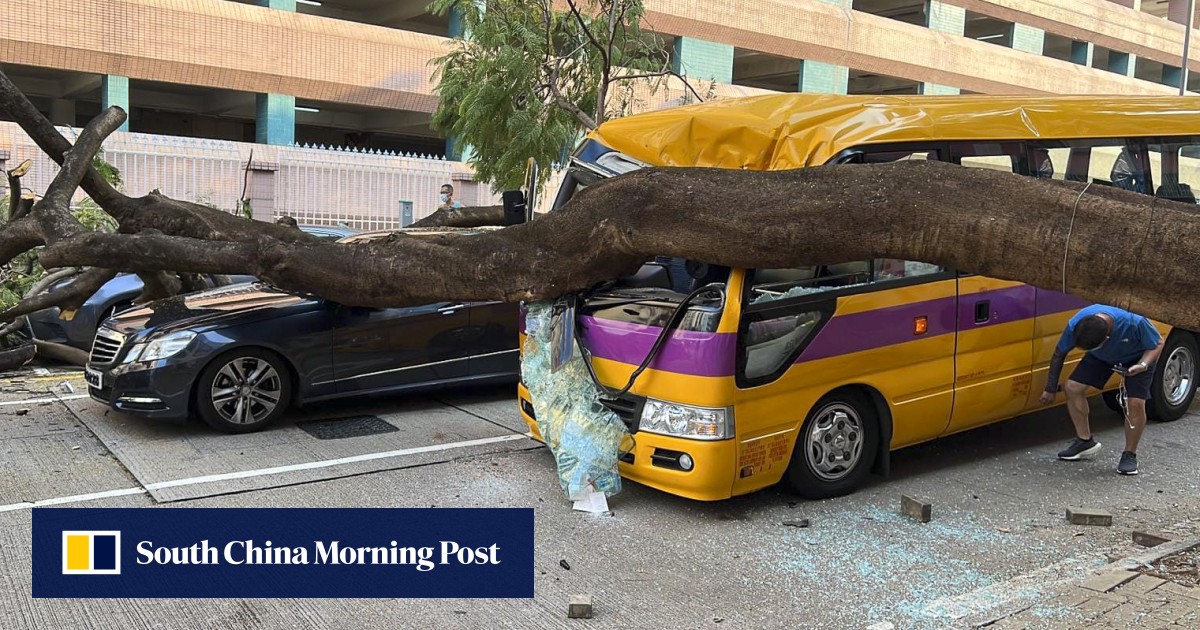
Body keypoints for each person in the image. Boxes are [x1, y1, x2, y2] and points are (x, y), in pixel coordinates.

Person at [1039, 304, 1164, 475]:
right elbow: (1059, 354)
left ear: (1106, 339)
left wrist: (1143, 365)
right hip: (1101, 358)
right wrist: (1050, 388)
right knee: (1072, 388)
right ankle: (1085, 441)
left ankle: (1129, 454)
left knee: (1134, 403)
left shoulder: (1134, 322)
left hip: (1137, 358)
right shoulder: (1077, 323)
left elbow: (1157, 343)